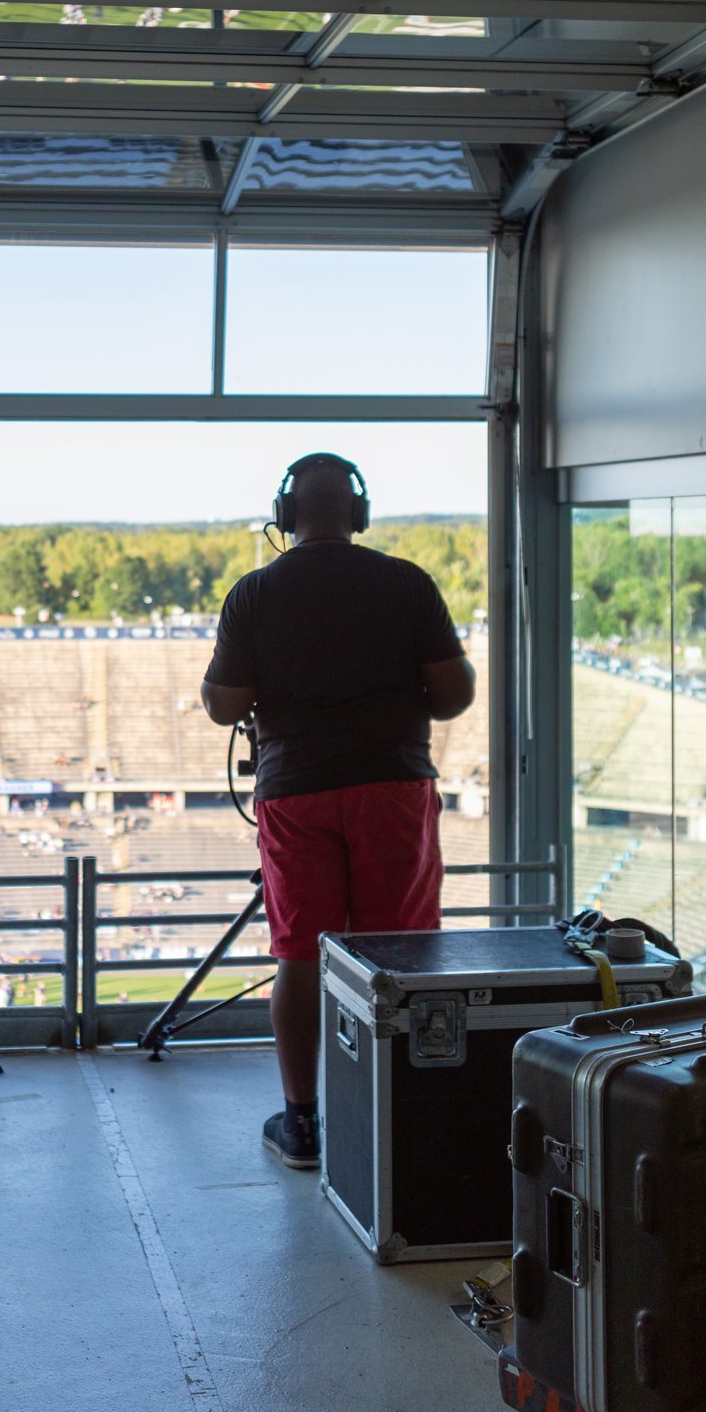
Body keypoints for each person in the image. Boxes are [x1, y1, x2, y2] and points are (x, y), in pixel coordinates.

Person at [200, 453, 475, 1172]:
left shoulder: (253, 592)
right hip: (392, 786)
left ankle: (300, 1123)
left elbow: (223, 704)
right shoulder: (407, 582)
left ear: (286, 516)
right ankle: (407, 1112)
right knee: (404, 952)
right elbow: (454, 695)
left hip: (294, 792)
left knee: (298, 953)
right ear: (358, 513)